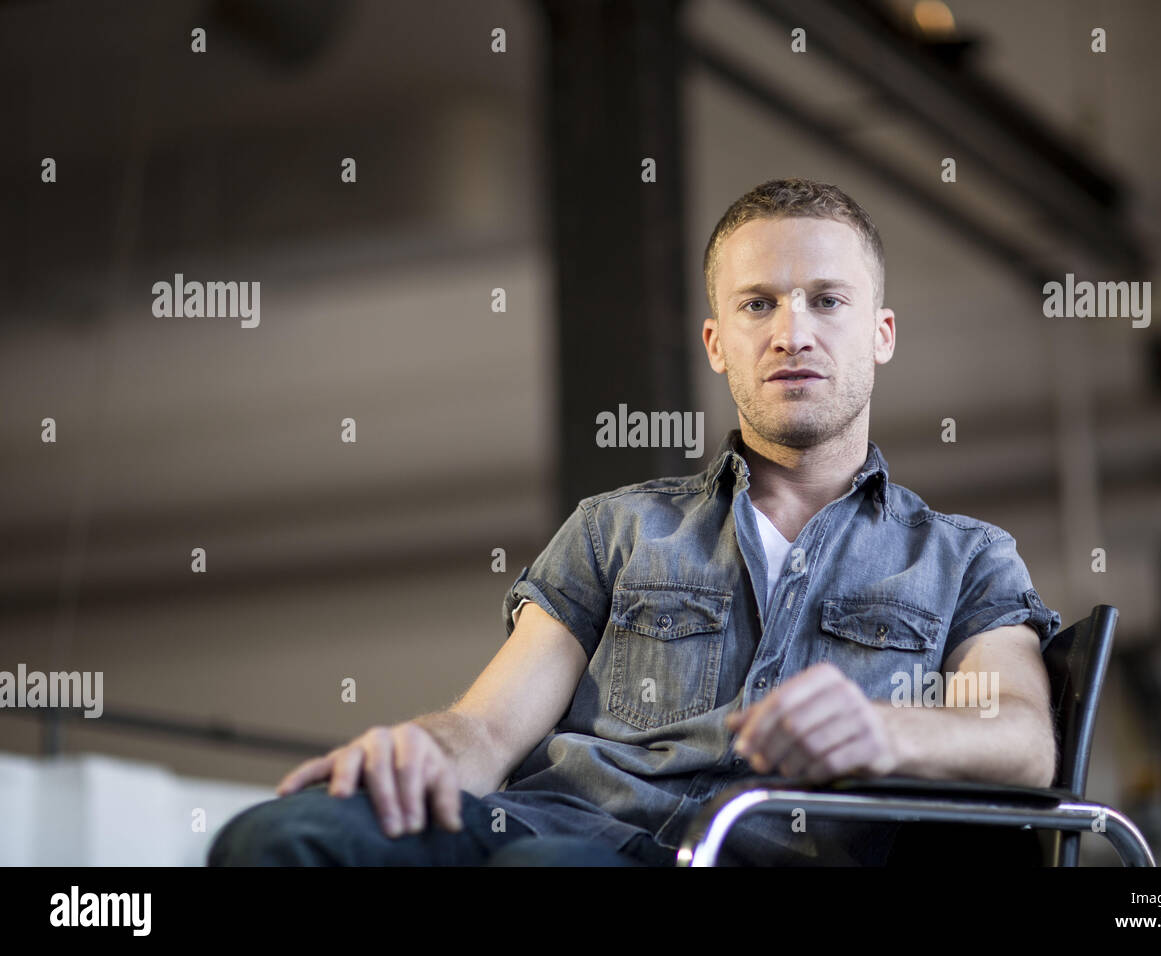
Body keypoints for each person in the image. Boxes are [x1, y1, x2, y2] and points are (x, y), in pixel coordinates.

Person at [209, 177, 1062, 867]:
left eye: (827, 301)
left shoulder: (963, 559)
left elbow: (1023, 738)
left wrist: (882, 728)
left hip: (751, 856)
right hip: (551, 829)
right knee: (275, 838)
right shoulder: (616, 529)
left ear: (881, 335)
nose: (791, 332)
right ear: (715, 342)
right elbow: (488, 729)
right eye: (757, 304)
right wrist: (419, 748)